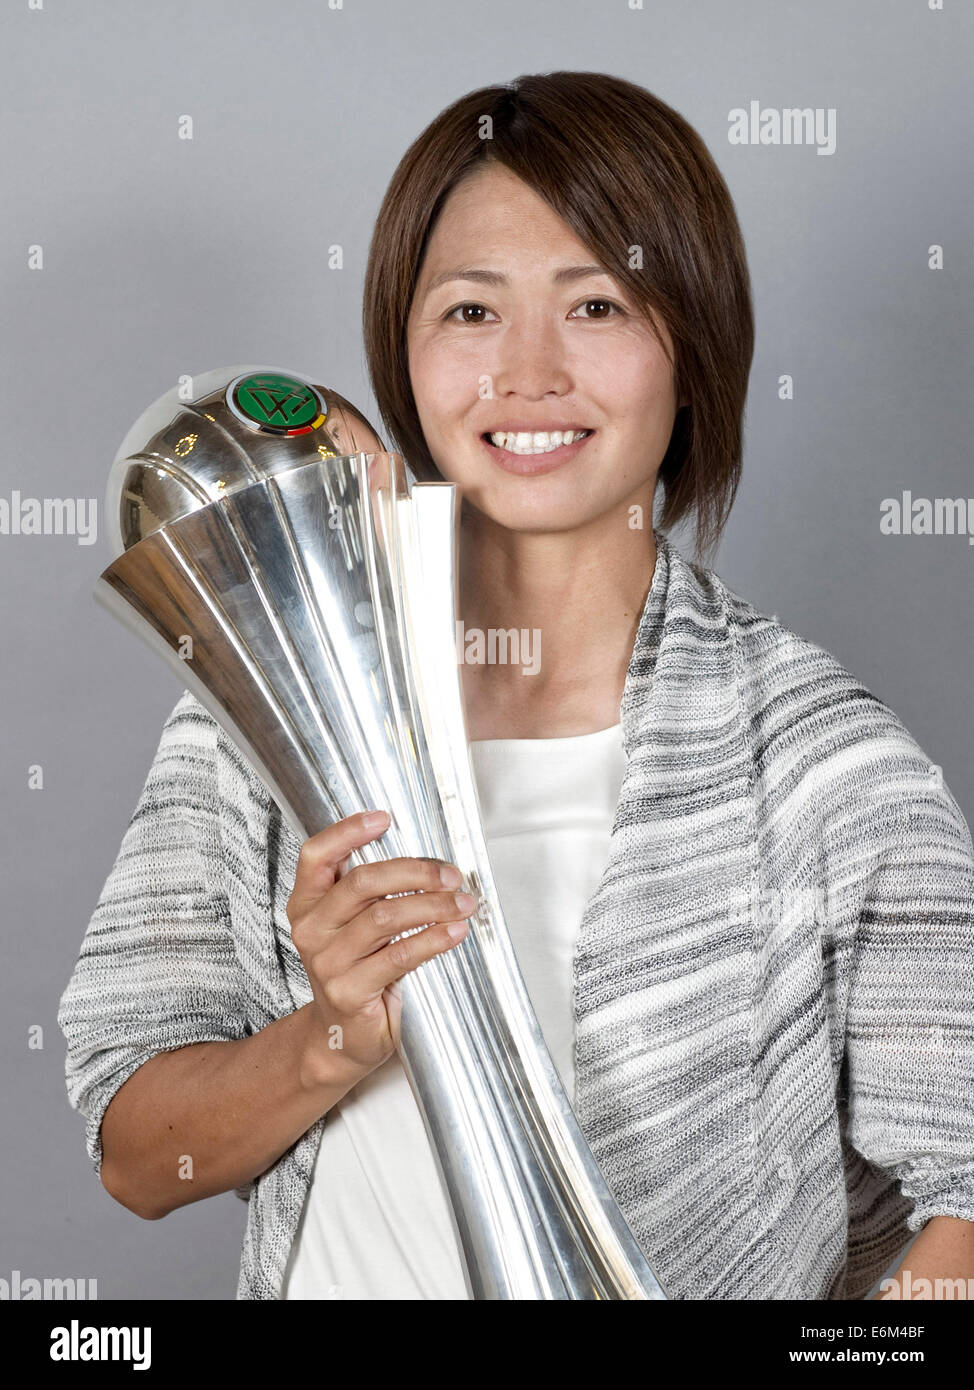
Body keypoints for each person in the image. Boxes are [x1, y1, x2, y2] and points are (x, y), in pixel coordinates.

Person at [58, 71, 974, 1301]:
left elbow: (960, 1215)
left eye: (596, 305)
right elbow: (137, 1158)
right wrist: (331, 1035)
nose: (526, 373)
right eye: (471, 312)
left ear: (691, 354)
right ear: (405, 350)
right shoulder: (251, 713)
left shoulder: (825, 764)